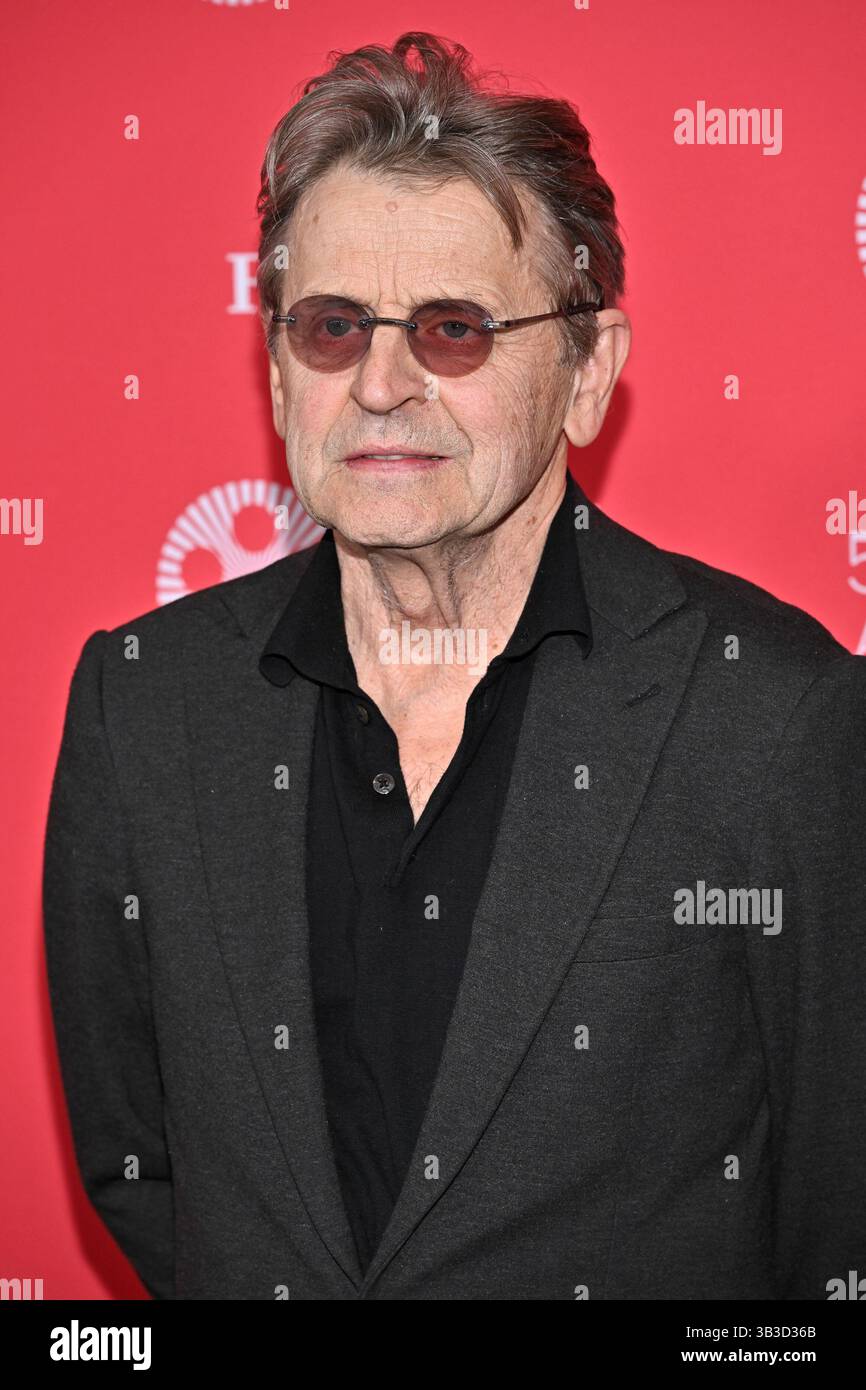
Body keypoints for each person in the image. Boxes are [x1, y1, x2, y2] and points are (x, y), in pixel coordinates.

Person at [43, 31, 866, 1300]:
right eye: (330, 327)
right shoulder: (140, 703)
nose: (380, 383)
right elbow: (141, 1174)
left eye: (452, 328)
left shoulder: (773, 713)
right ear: (274, 368)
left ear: (586, 372)